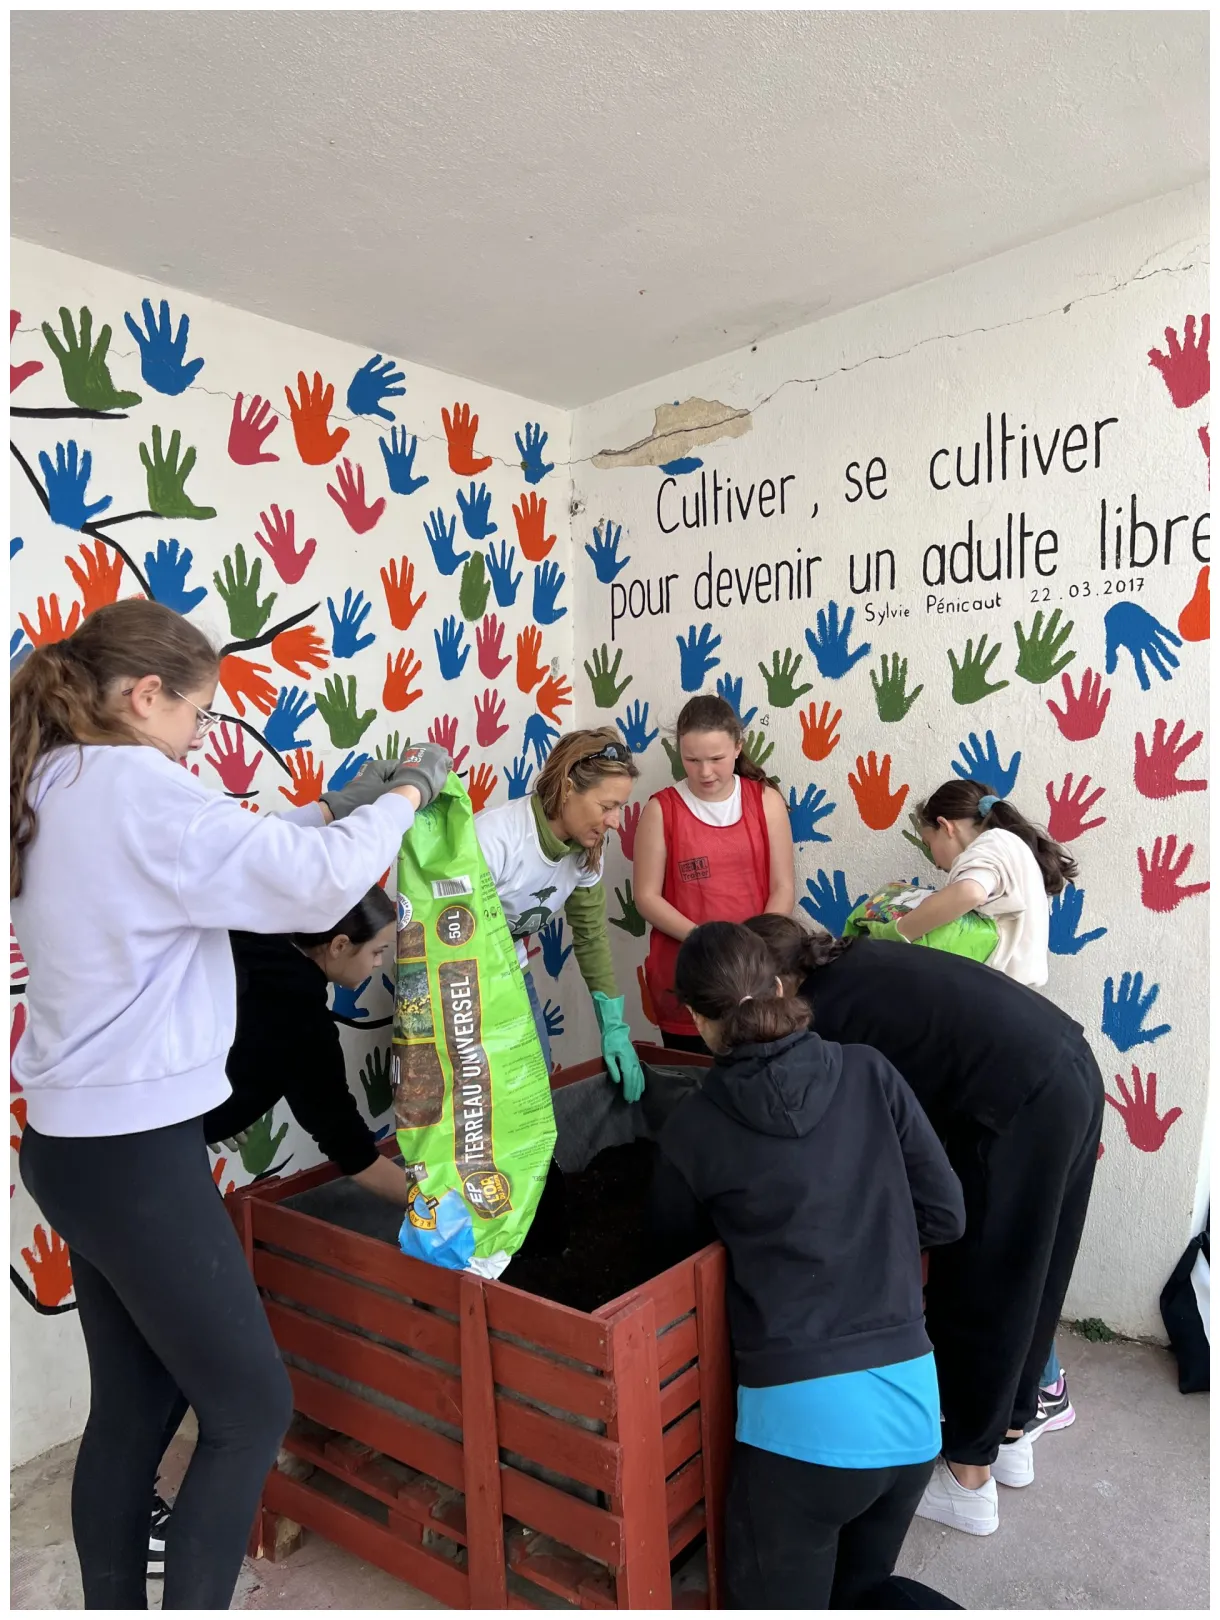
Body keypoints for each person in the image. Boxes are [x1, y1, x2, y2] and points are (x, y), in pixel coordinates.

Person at [10, 598, 451, 1610]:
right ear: (144, 694)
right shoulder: (132, 785)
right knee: (252, 1408)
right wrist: (405, 795)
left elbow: (214, 856)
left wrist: (331, 807)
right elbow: (310, 887)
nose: (202, 738)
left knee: (136, 1400)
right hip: (135, 1160)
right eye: (200, 716)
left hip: (72, 1151)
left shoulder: (56, 779)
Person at [747, 916, 1104, 1537]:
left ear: (776, 987)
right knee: (1036, 1264)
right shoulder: (860, 961)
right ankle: (1010, 1433)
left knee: (983, 1284)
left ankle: (968, 1478)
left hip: (1015, 1101)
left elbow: (841, 1134)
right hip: (1070, 1063)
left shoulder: (821, 1018)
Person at [650, 922, 964, 1609]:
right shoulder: (870, 1071)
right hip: (912, 1416)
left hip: (800, 1432)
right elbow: (946, 1214)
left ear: (699, 1020)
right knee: (863, 1594)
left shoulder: (693, 1131)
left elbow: (670, 1260)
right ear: (780, 986)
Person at [203, 885, 408, 1206]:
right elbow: (355, 1154)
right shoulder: (300, 1020)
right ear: (340, 945)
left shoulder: (238, 937)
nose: (379, 963)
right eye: (377, 951)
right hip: (157, 1143)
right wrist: (441, 1209)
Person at [474, 727, 646, 1099]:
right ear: (568, 788)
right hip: (460, 983)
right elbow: (445, 939)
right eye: (607, 807)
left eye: (620, 807)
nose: (615, 821)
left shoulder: (587, 849)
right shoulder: (495, 838)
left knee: (535, 1096)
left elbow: (590, 935)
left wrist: (613, 1026)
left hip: (513, 972)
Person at [633, 694, 795, 1052]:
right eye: (691, 760)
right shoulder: (661, 810)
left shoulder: (765, 800)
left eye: (716, 759)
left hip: (755, 976)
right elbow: (646, 897)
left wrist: (749, 952)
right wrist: (709, 944)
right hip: (687, 978)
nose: (705, 772)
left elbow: (782, 887)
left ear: (738, 747)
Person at [892, 778, 1078, 989]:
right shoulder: (1010, 849)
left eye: (929, 844)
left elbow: (970, 892)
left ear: (945, 826)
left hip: (996, 997)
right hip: (1016, 996)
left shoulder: (992, 843)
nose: (935, 863)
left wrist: (897, 932)